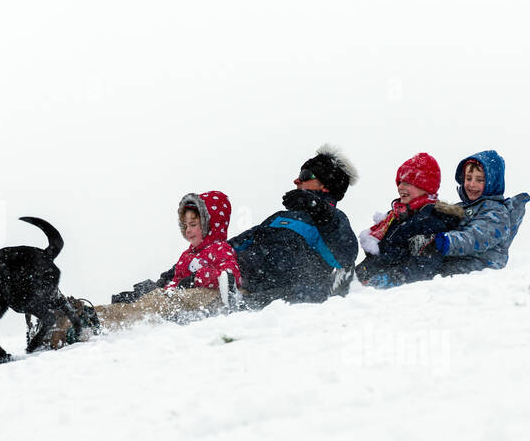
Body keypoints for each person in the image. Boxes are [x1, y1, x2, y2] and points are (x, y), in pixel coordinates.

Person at [45, 190, 240, 347]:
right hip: (177, 298)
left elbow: (230, 276)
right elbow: (176, 279)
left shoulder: (219, 248)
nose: (187, 230)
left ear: (210, 224)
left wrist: (196, 278)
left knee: (148, 306)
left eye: (194, 224)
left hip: (202, 298)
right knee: (139, 304)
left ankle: (86, 323)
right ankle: (83, 317)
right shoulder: (188, 254)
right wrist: (169, 286)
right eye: (185, 225)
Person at [230, 145, 360, 305]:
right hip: (244, 289)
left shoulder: (333, 220)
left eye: (305, 175)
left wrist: (319, 210)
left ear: (325, 186)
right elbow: (234, 247)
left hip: (289, 300)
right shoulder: (278, 217)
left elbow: (345, 257)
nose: (296, 180)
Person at [406, 149, 530, 277]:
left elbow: (475, 238)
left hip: (478, 271)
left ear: (492, 183)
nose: (472, 184)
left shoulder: (496, 212)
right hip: (455, 266)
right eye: (468, 178)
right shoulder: (463, 207)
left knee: (422, 274)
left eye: (480, 180)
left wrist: (440, 242)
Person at [354, 152, 464, 289]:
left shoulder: (430, 220)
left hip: (398, 296)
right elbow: (384, 256)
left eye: (407, 182)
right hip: (371, 284)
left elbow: (424, 266)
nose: (400, 187)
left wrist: (389, 279)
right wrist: (358, 276)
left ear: (425, 187)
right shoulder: (397, 217)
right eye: (400, 182)